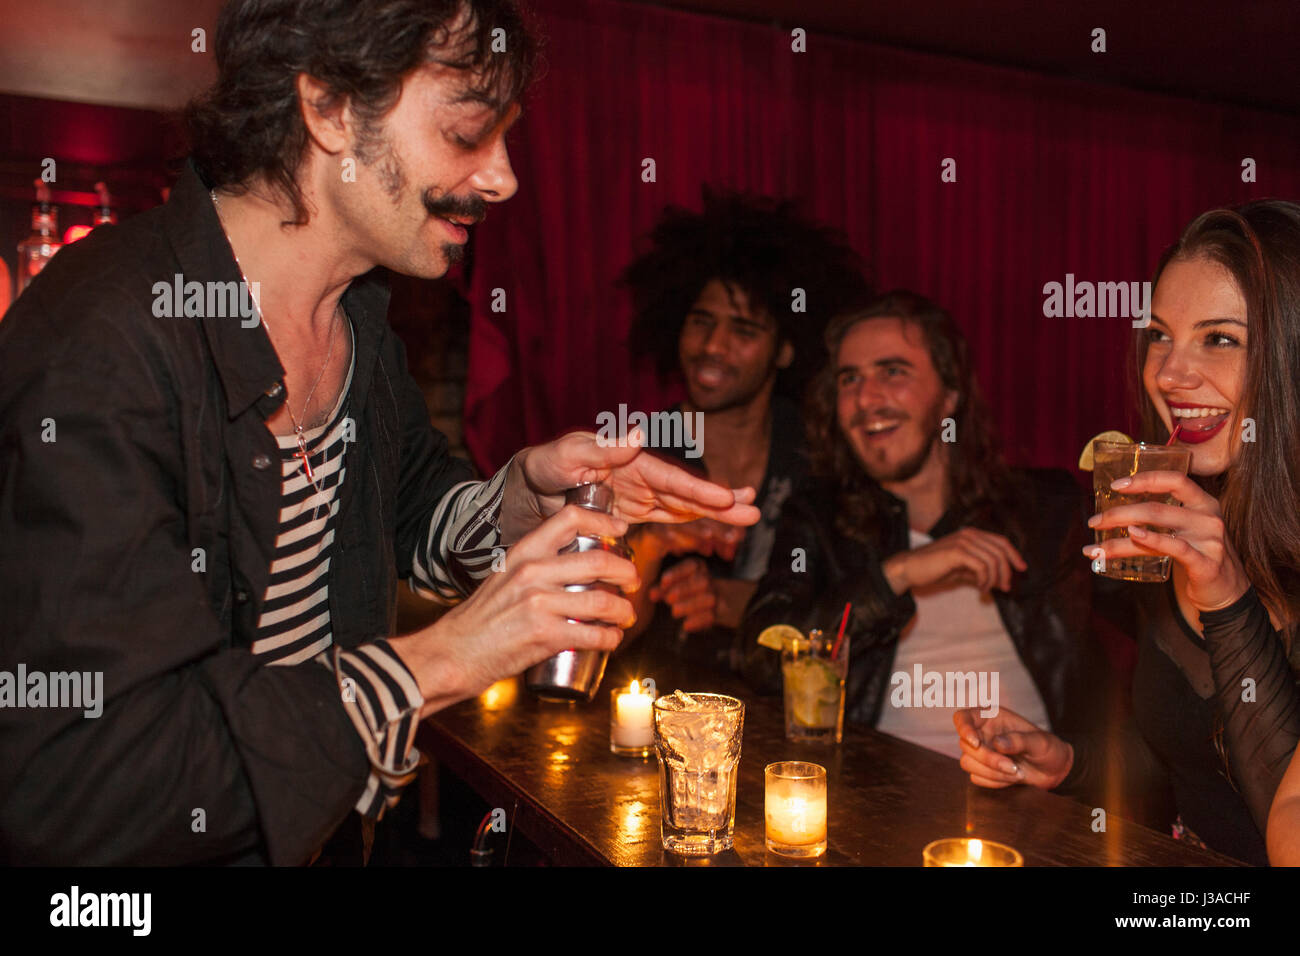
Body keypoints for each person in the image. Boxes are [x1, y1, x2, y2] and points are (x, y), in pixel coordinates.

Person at [0, 0, 758, 866]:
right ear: (326, 110)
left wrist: (518, 504)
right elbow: (80, 786)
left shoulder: (360, 322)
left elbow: (398, 512)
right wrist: (446, 657)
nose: (504, 176)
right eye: (470, 131)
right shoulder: (104, 340)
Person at [954, 200, 1300, 866]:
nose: (1169, 373)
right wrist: (1070, 765)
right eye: (1160, 335)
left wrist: (1228, 603)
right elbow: (1185, 762)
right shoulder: (1192, 525)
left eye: (1219, 339)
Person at [740, 290, 1112, 757]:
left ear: (949, 396)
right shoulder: (818, 516)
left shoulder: (1045, 508)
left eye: (892, 372)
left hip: (1037, 799)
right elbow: (760, 657)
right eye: (849, 378)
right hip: (881, 796)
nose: (866, 399)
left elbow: (1165, 631)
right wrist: (898, 574)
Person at [617, 188, 870, 674]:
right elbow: (593, 643)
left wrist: (750, 605)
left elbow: (865, 611)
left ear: (785, 351)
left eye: (744, 331)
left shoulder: (823, 455)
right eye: (701, 322)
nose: (713, 346)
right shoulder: (638, 454)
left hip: (795, 725)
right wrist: (651, 547)